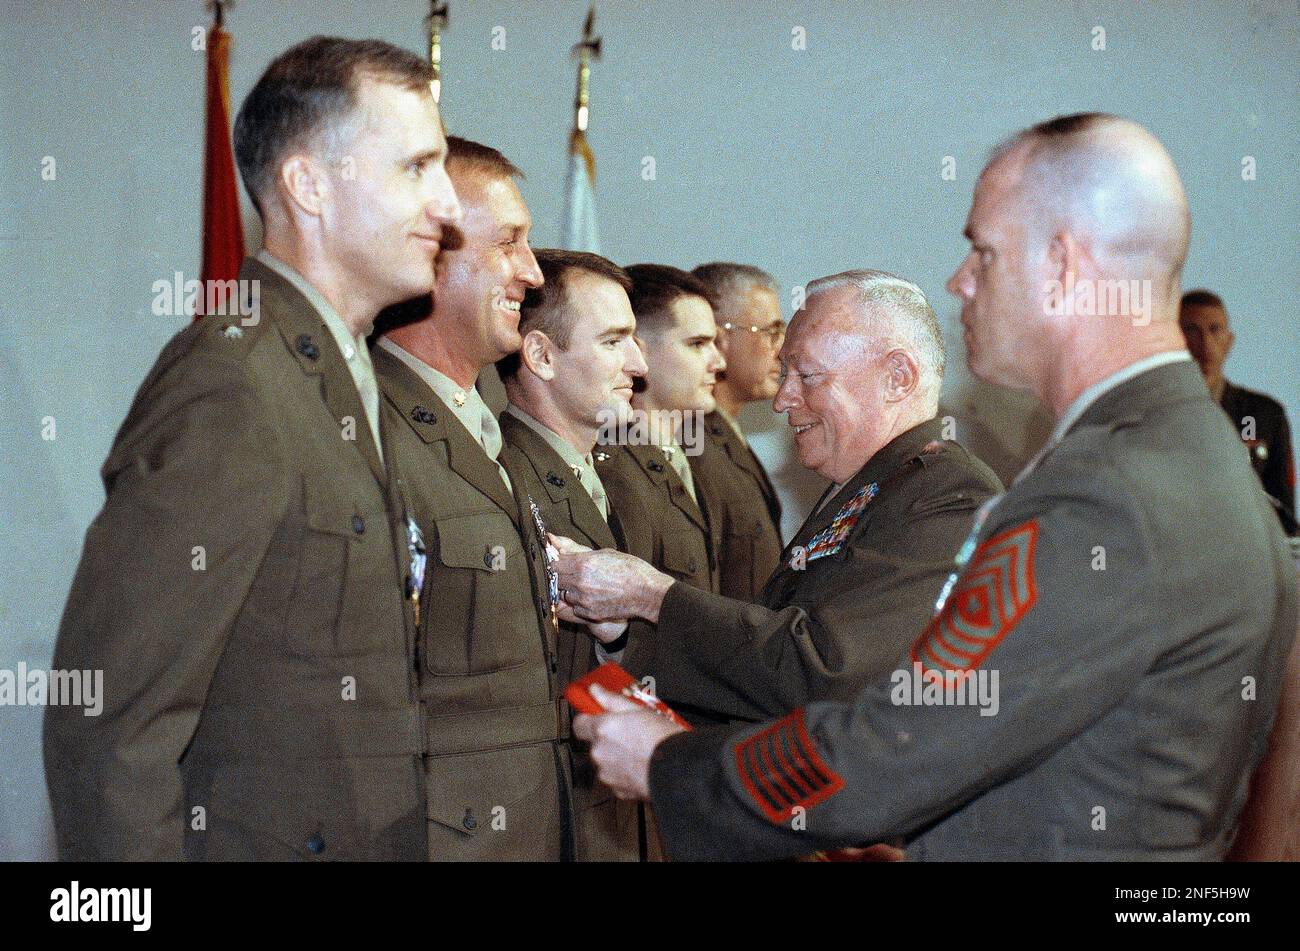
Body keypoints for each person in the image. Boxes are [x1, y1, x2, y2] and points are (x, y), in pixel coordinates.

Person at [566, 113, 1297, 861]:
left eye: (983, 252)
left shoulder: (1108, 493)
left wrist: (672, 765)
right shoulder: (1185, 452)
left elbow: (896, 745)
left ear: (1064, 267)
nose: (960, 281)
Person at [43, 37, 462, 860]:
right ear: (308, 185)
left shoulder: (347, 377)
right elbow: (109, 723)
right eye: (417, 167)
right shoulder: (232, 383)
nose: (447, 204)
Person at [554, 270, 1001, 724]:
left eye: (807, 376)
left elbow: (829, 670)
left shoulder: (948, 494)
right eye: (785, 372)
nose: (783, 399)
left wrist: (654, 597)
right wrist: (626, 634)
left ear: (897, 377)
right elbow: (769, 665)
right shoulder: (867, 486)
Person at [372, 138, 569, 860]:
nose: (534, 271)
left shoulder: (479, 421)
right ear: (434, 257)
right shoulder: (369, 434)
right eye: (511, 242)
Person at [496, 248, 647, 860]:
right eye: (613, 341)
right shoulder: (505, 479)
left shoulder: (616, 475)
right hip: (550, 816)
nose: (638, 366)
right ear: (540, 356)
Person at [593, 265, 725, 603]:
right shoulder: (614, 472)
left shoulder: (691, 456)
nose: (718, 362)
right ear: (640, 351)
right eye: (697, 344)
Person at [689, 263, 785, 600]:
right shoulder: (692, 447)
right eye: (771, 332)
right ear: (720, 340)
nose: (783, 349)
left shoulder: (721, 437)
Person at [1179, 289, 1295, 529]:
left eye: (1215, 330)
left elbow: (1283, 512)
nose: (1205, 343)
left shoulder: (1265, 415)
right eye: (1192, 330)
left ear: (1229, 341)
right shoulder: (1151, 416)